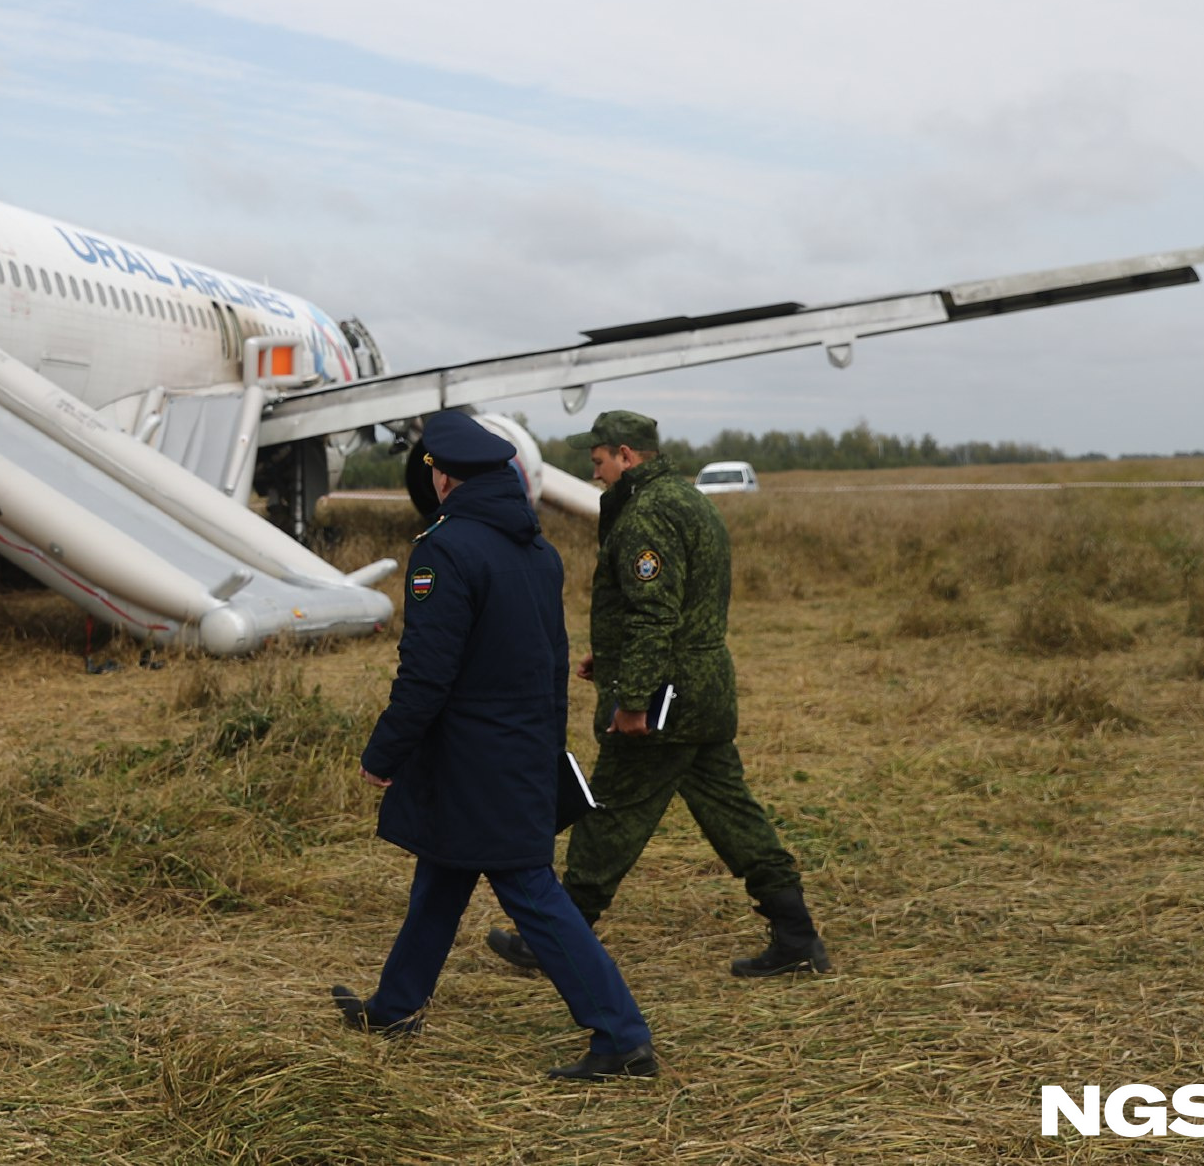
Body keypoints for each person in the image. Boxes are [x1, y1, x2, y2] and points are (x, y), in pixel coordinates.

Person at [332, 410, 658, 1082]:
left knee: (530, 891)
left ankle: (622, 1036)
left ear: (445, 478)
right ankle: (394, 1006)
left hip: (472, 761)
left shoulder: (445, 551)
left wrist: (384, 753)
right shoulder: (538, 551)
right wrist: (549, 745)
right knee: (442, 875)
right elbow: (550, 661)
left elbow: (427, 673)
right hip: (518, 750)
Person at [485, 408, 831, 980]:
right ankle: (796, 935)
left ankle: (555, 942)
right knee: (733, 816)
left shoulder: (647, 513)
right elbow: (681, 605)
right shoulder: (688, 500)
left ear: (626, 455)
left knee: (608, 816)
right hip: (703, 692)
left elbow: (654, 613)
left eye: (599, 460)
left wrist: (634, 699)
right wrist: (612, 656)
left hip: (666, 703)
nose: (595, 473)